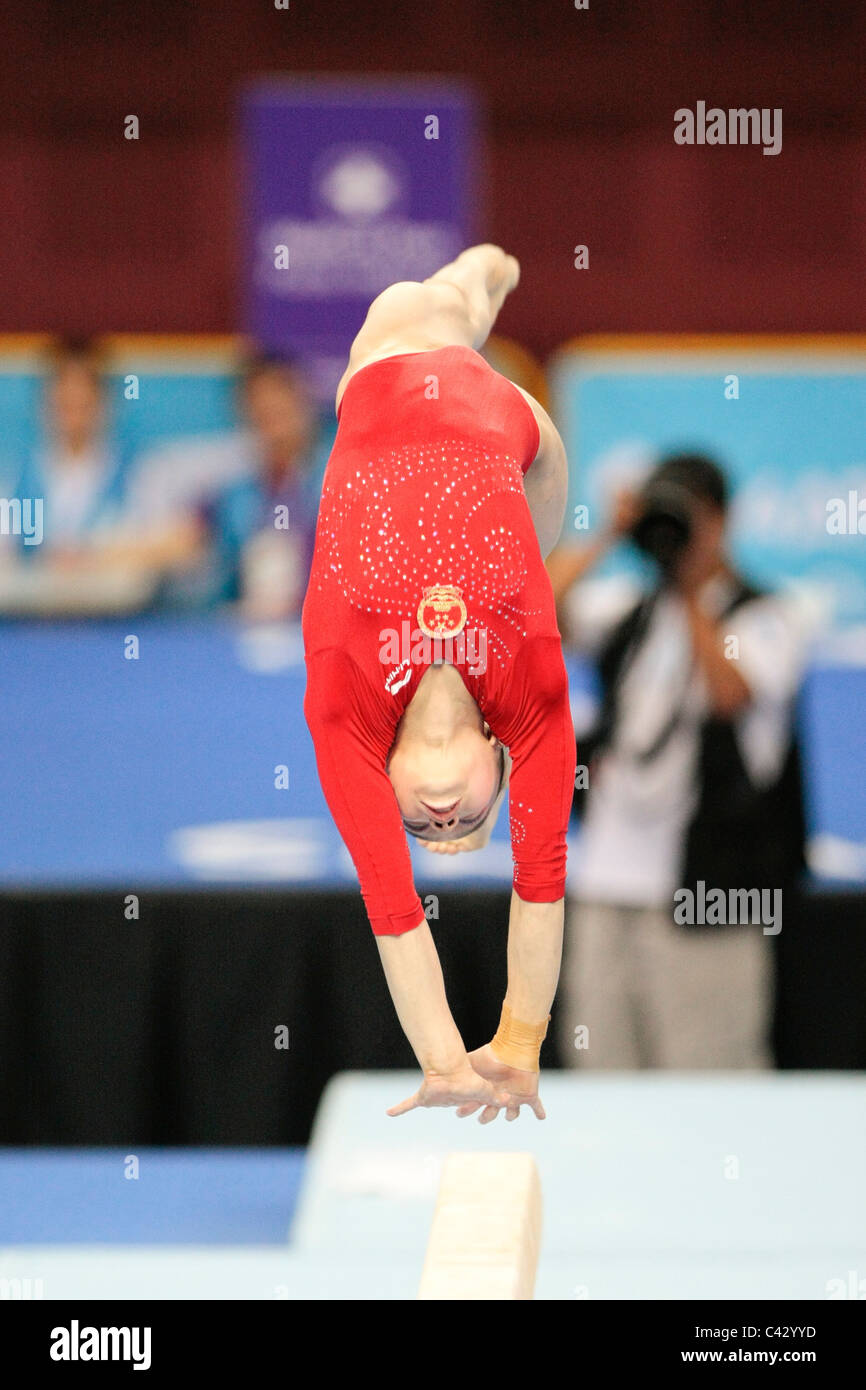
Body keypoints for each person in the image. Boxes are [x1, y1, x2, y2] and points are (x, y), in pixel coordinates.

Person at [302, 244, 576, 1122]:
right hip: (514, 436)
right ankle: (473, 296)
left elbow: (393, 911)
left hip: (382, 375)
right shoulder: (530, 697)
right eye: (467, 821)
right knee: (453, 330)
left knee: (419, 303)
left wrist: (442, 1060)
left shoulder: (344, 707)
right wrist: (520, 1042)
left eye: (419, 823)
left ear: (383, 781)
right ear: (501, 758)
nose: (445, 828)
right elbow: (540, 882)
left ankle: (474, 281)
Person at [547, 452, 808, 1071]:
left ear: (719, 521)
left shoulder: (768, 614)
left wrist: (691, 589)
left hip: (707, 895)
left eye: (686, 519)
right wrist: (614, 531)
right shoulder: (631, 612)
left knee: (709, 1089)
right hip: (605, 886)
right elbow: (532, 607)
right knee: (603, 1077)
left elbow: (728, 693)